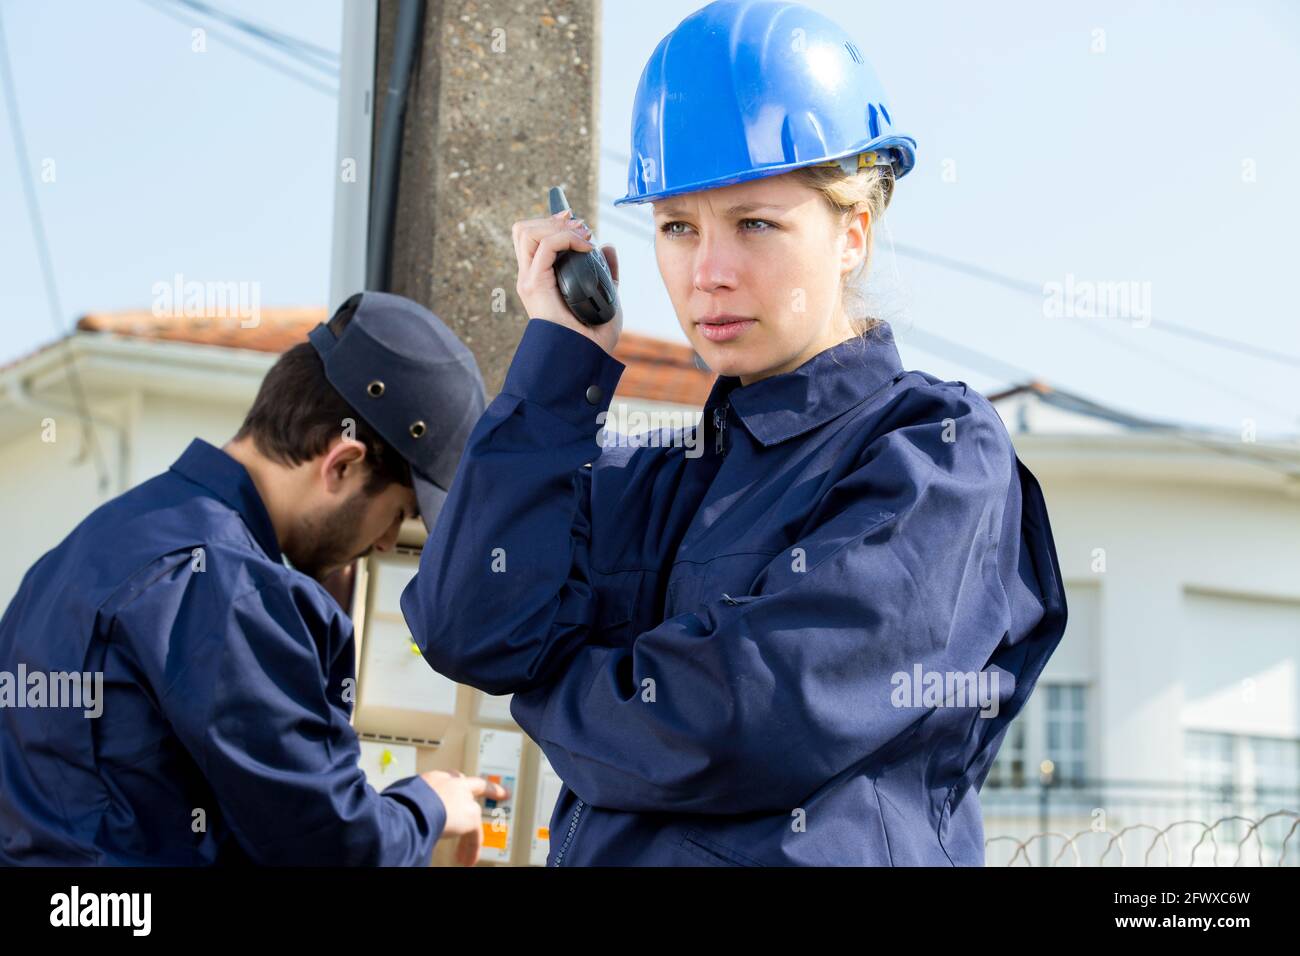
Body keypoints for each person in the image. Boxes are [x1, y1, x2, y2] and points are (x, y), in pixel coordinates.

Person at [402, 0, 1067, 865]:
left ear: (851, 234)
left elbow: (747, 719)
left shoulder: (936, 452)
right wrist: (558, 375)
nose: (707, 273)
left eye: (756, 223)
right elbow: (466, 627)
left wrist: (546, 688)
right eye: (678, 227)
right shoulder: (654, 474)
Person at [0, 291, 506, 865]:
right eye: (400, 512)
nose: (388, 542)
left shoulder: (92, 545)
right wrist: (429, 805)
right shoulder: (233, 589)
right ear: (341, 464)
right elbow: (332, 849)